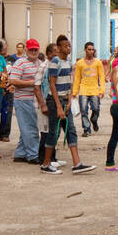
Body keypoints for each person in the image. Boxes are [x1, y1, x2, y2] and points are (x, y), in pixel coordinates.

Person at [39, 36, 94, 175]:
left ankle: (77, 163)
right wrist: (58, 106)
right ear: (59, 47)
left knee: (71, 131)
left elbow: (69, 83)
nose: (68, 48)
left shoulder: (69, 63)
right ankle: (46, 164)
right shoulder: (55, 62)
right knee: (54, 132)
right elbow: (52, 84)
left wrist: (69, 101)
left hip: (65, 100)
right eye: (65, 46)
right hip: (55, 101)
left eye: (69, 46)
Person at [7, 39, 47, 163]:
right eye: (31, 50)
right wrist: (32, 83)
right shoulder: (20, 63)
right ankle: (33, 155)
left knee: (27, 127)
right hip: (23, 100)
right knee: (31, 128)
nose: (34, 52)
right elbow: (12, 80)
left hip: (35, 100)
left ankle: (20, 153)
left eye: (36, 49)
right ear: (26, 50)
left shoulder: (40, 63)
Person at [74, 41, 106, 136]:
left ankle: (94, 120)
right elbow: (77, 78)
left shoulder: (98, 62)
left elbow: (102, 77)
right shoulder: (79, 63)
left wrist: (102, 90)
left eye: (92, 49)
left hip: (95, 90)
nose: (91, 51)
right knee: (83, 111)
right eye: (89, 49)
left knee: (96, 109)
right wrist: (74, 92)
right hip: (83, 89)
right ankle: (86, 129)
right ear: (85, 50)